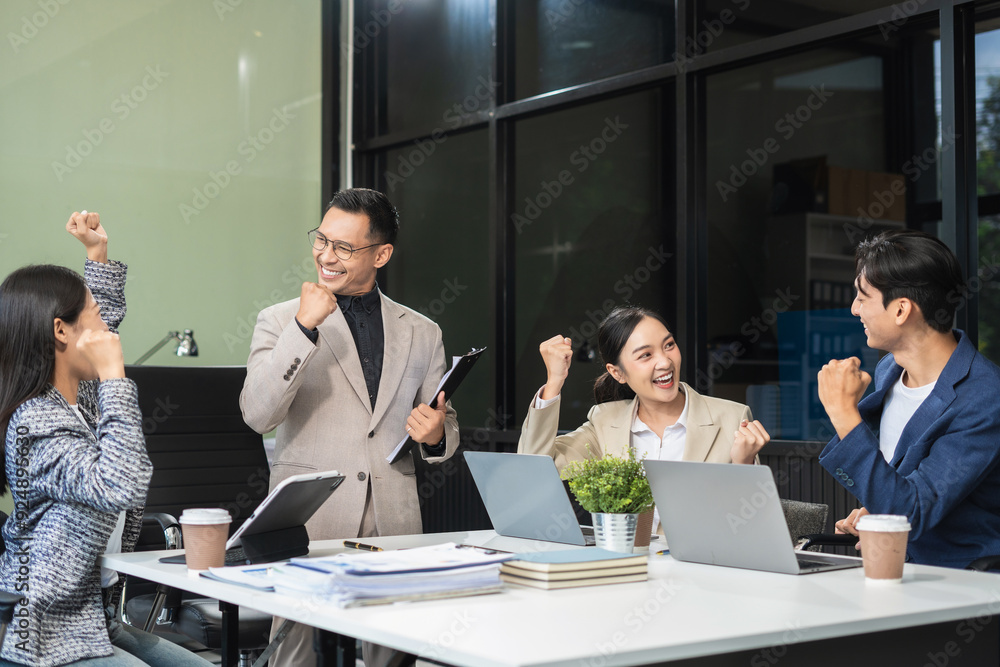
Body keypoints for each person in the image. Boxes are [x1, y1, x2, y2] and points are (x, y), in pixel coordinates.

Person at [240, 188, 459, 666]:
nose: (326, 255)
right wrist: (304, 330)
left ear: (381, 254)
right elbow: (258, 414)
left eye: (344, 247)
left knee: (395, 654)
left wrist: (436, 433)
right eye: (321, 240)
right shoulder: (279, 320)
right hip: (310, 518)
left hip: (393, 520)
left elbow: (443, 419)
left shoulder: (423, 331)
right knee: (293, 657)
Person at [0, 212, 211, 667]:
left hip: (96, 614)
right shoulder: (36, 423)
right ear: (60, 331)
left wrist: (97, 254)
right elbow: (120, 484)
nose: (107, 336)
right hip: (44, 627)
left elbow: (101, 320)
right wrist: (116, 375)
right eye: (92, 318)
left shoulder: (80, 395)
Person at [817, 229, 1000, 569]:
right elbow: (906, 492)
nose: (855, 308)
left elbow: (911, 510)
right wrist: (878, 510)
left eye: (863, 296)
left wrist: (843, 412)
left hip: (962, 586)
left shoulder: (985, 397)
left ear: (901, 310)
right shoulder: (889, 369)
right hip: (889, 568)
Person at [517, 305, 770, 530]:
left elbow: (753, 523)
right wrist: (554, 383)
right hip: (628, 568)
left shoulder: (731, 418)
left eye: (668, 345)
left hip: (702, 570)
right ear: (617, 373)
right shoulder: (606, 422)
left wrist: (743, 464)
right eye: (646, 355)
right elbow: (535, 468)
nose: (665, 362)